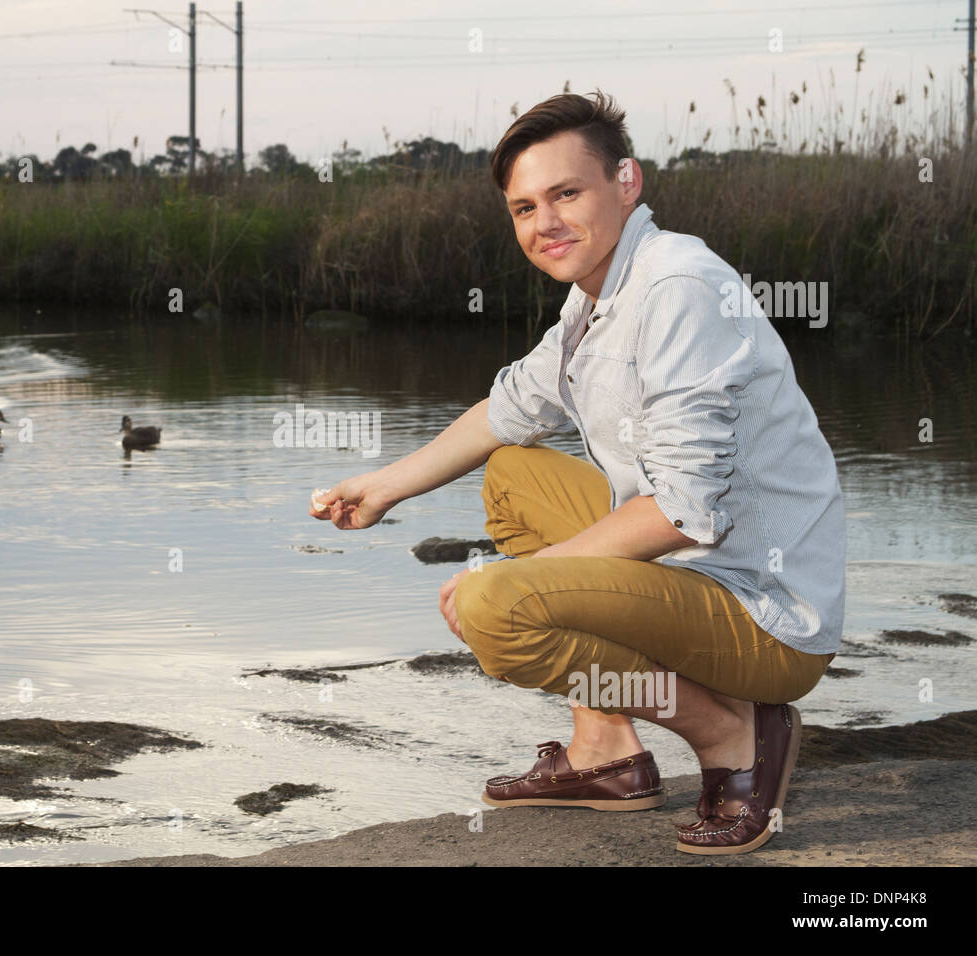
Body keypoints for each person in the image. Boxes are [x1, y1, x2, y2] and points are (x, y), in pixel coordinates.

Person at [309, 90, 846, 855]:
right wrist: (386, 486)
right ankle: (605, 751)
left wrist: (528, 580)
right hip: (696, 570)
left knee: (498, 608)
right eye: (525, 208)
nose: (545, 223)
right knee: (514, 478)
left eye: (566, 194)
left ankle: (733, 733)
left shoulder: (677, 288)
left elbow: (686, 513)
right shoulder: (596, 295)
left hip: (765, 611)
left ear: (627, 182)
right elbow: (511, 408)